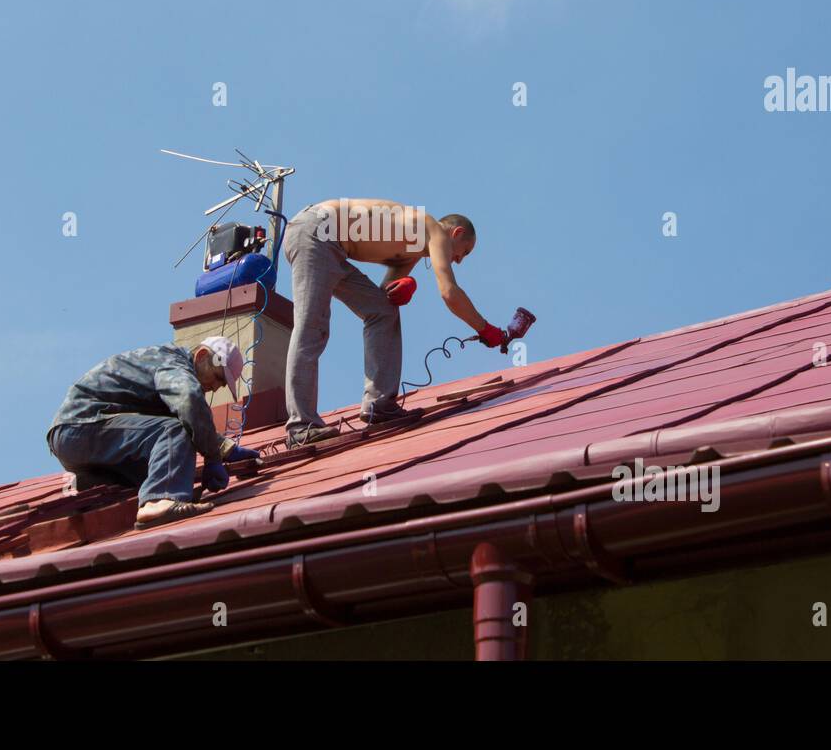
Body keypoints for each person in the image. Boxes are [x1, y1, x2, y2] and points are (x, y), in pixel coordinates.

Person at [283, 198, 505, 448]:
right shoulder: (434, 230)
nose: (459, 260)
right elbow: (449, 292)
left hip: (325, 241)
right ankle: (300, 425)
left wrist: (398, 291)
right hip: (317, 232)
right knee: (312, 327)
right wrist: (486, 329)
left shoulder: (413, 245)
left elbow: (382, 296)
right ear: (457, 232)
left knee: (382, 311)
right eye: (464, 252)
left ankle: (379, 405)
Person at [46, 337, 259, 528]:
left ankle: (101, 489)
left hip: (76, 439)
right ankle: (160, 500)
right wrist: (212, 456)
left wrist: (224, 448)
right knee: (173, 431)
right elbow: (188, 402)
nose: (215, 388)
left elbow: (172, 418)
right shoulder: (172, 363)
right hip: (82, 425)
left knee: (156, 465)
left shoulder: (165, 366)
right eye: (218, 377)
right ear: (202, 356)